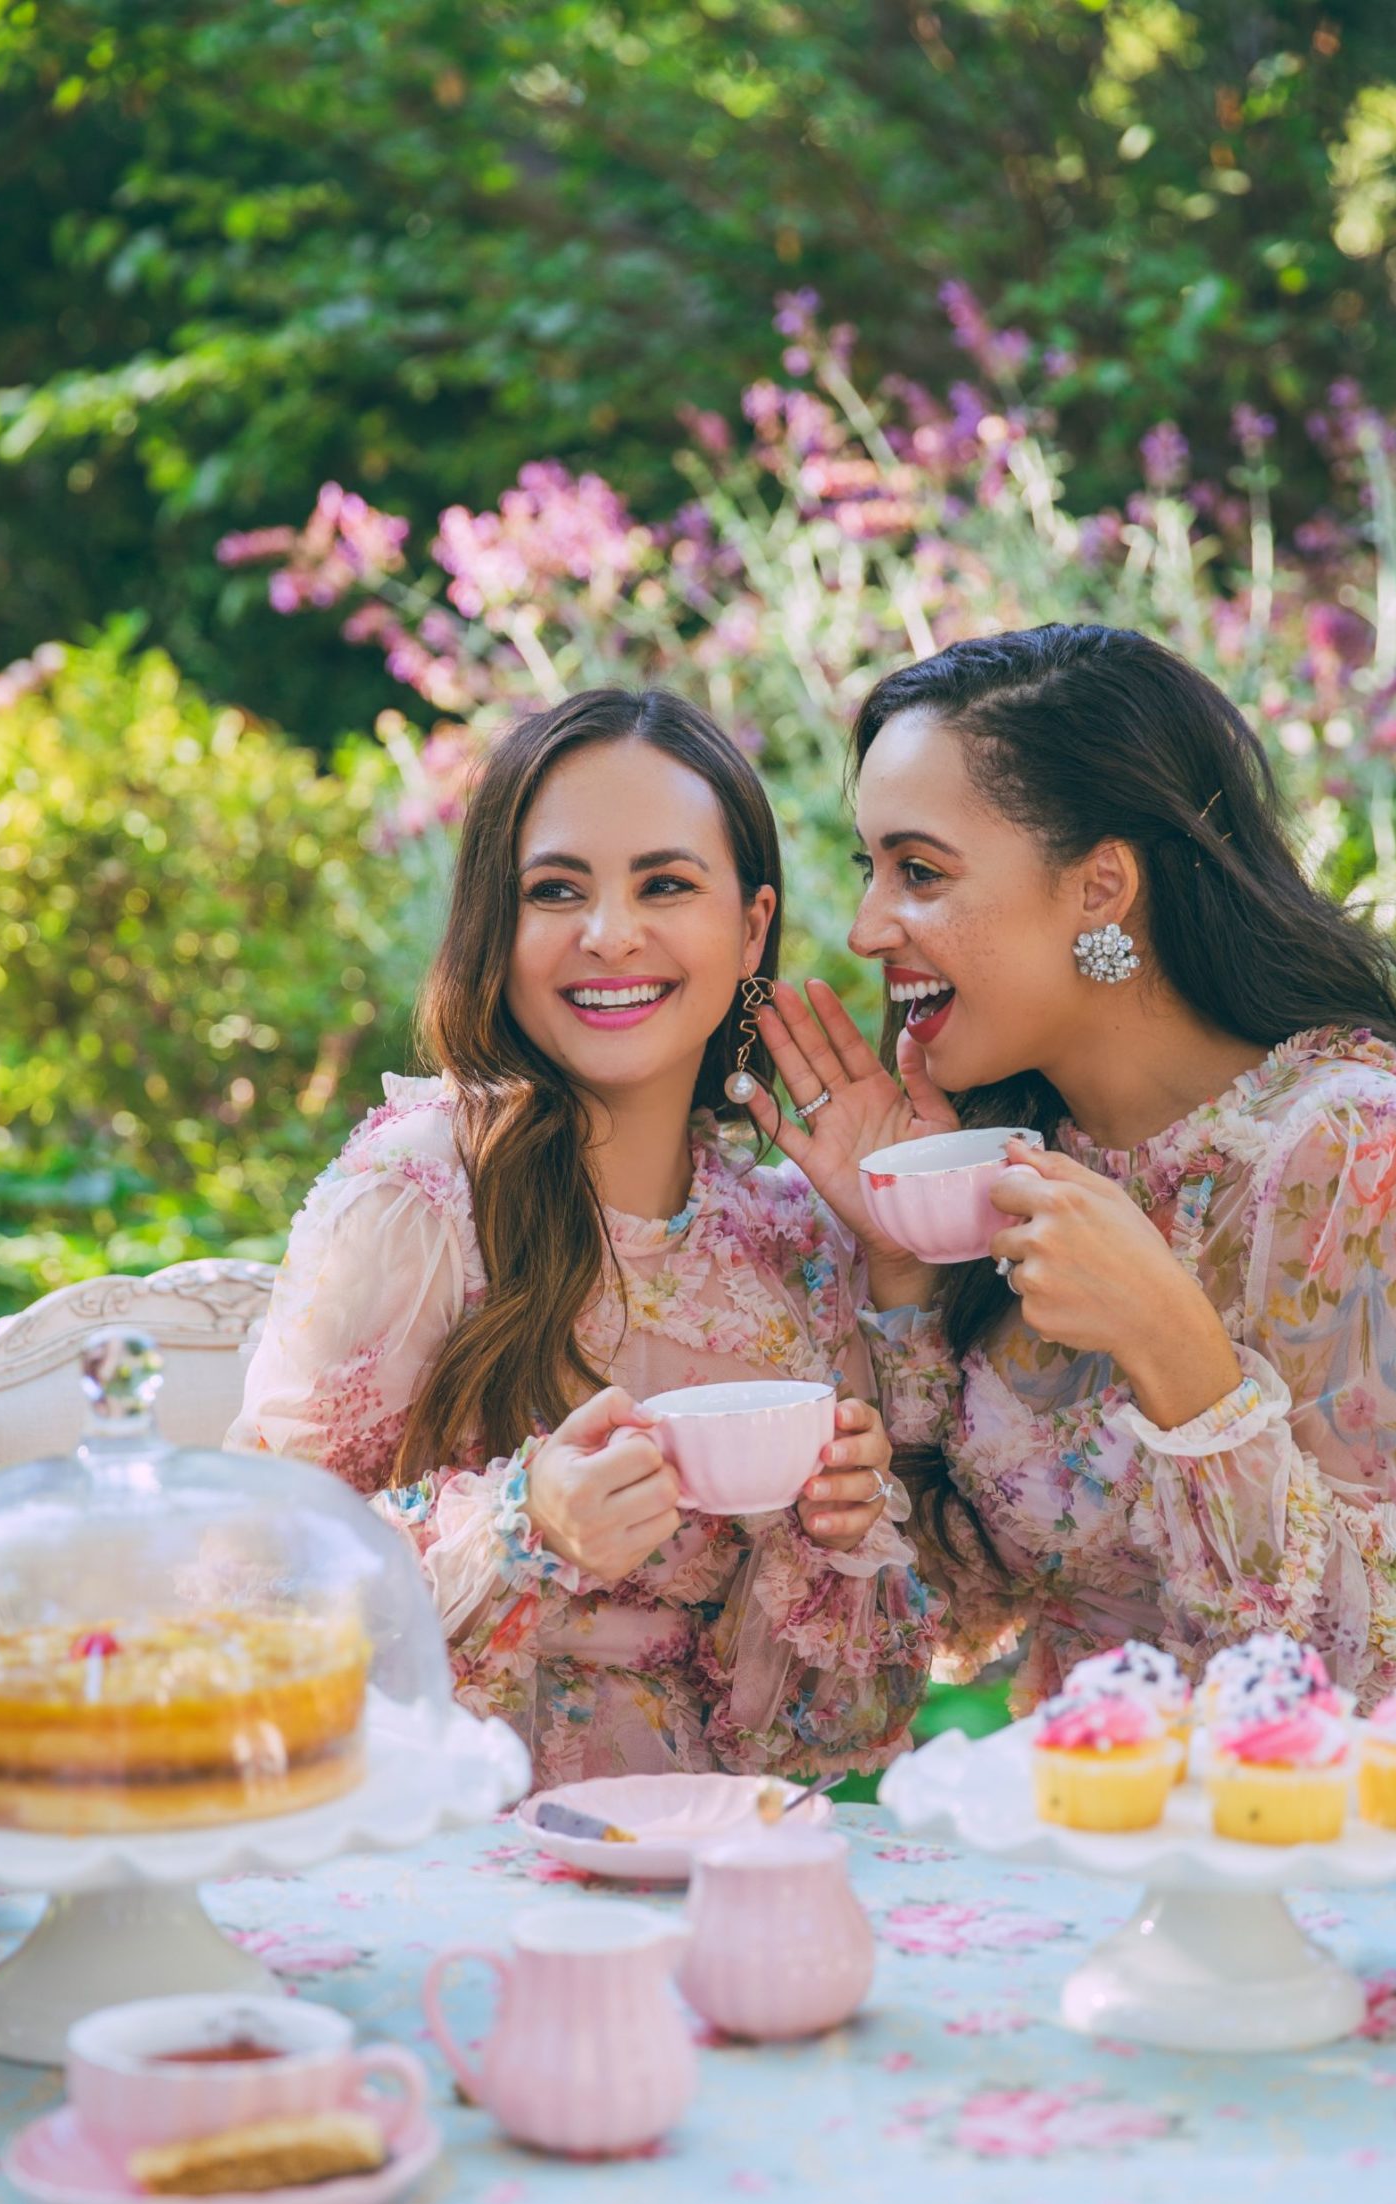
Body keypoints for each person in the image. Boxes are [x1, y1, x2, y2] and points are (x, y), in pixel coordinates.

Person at [736, 623, 1396, 1788]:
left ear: (1099, 886)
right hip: (1116, 1805)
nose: (865, 927)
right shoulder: (999, 1146)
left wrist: (1175, 1353)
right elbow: (961, 1612)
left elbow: (1362, 1664)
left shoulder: (1337, 1136)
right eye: (869, 868)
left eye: (920, 870)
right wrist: (903, 1269)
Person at [226, 687, 932, 1787]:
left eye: (664, 884)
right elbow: (250, 1576)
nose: (608, 934)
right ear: (496, 930)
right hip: (439, 1850)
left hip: (701, 1859)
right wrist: (525, 1525)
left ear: (749, 927)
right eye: (555, 890)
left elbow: (826, 1736)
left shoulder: (790, 1238)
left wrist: (832, 1538)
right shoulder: (416, 1198)